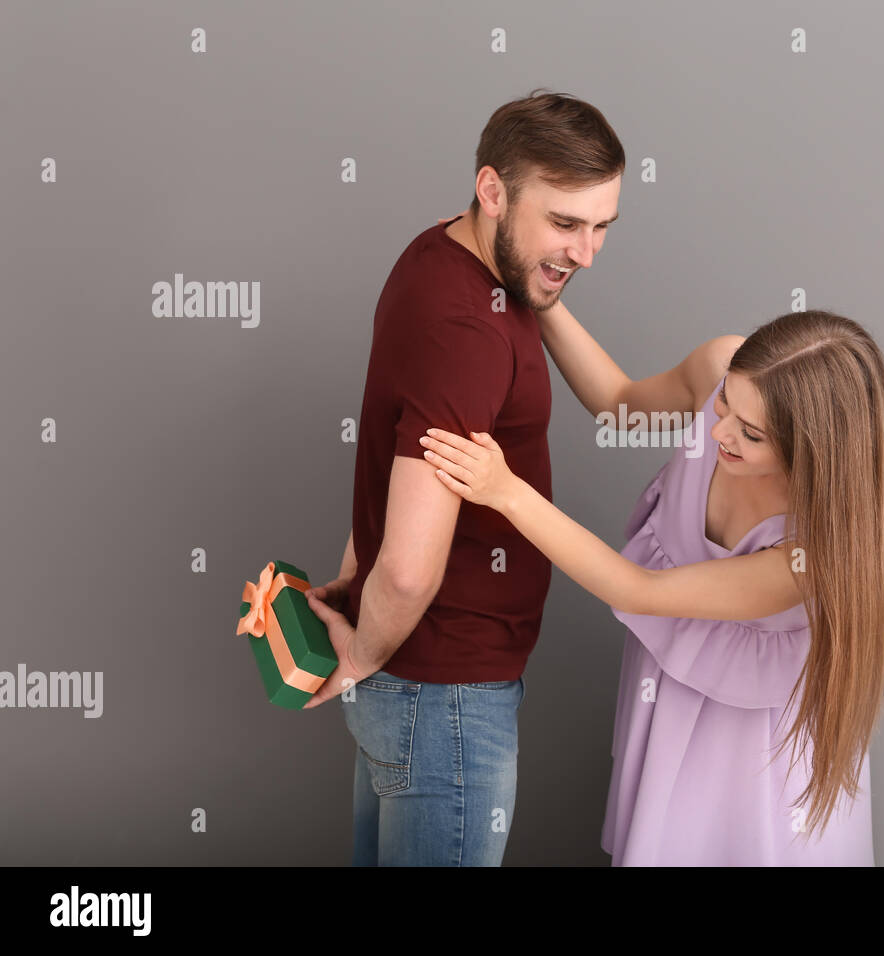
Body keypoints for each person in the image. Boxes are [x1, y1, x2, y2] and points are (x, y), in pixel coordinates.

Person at [421, 306, 884, 865]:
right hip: (670, 696)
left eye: (751, 433)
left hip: (754, 749)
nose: (717, 428)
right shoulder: (723, 363)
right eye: (726, 399)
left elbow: (637, 591)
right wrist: (540, 299)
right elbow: (619, 404)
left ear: (812, 449)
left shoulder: (810, 554)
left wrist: (506, 491)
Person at [298, 89, 625, 866]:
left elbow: (392, 469)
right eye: (566, 223)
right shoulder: (468, 329)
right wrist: (363, 655)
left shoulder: (442, 258)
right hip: (442, 701)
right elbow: (409, 571)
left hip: (415, 693)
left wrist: (350, 595)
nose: (586, 252)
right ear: (492, 192)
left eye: (603, 226)